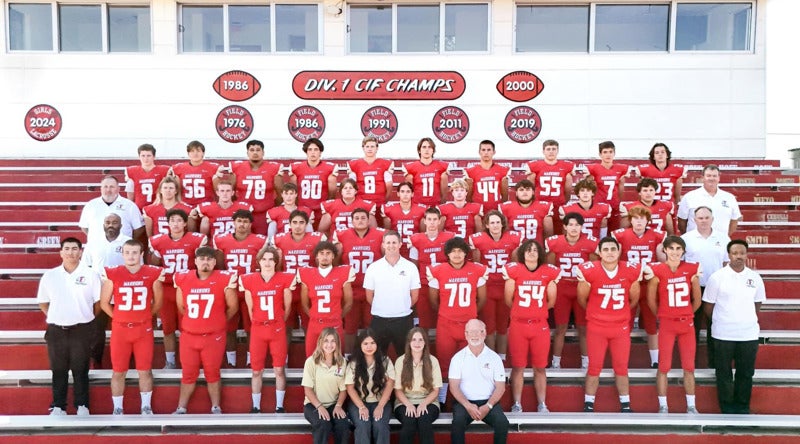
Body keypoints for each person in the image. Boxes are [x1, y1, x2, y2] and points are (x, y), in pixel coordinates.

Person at [577, 236, 642, 413]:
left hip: (620, 326)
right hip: (597, 326)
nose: (610, 253)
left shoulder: (630, 269)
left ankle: (626, 404)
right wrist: (598, 313)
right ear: (599, 252)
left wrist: (617, 314)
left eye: (613, 249)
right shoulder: (589, 270)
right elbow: (583, 299)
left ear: (619, 250)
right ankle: (588, 404)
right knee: (594, 366)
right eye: (605, 249)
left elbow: (634, 298)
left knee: (621, 366)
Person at [38, 237, 102, 416]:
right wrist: (58, 316)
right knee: (58, 369)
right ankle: (58, 405)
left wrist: (83, 316)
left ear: (81, 252)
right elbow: (43, 303)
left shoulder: (91, 275)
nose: (70, 252)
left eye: (75, 249)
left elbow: (98, 303)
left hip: (82, 329)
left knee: (81, 367)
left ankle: (82, 405)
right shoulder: (50, 275)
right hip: (56, 329)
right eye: (67, 249)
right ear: (61, 252)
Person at [99, 239, 164, 415]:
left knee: (145, 370)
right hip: (121, 329)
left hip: (143, 329)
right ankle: (118, 408)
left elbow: (158, 302)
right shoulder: (113, 273)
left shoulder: (152, 273)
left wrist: (145, 316)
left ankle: (146, 406)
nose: (131, 256)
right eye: (127, 252)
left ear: (141, 254)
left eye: (135, 252)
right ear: (122, 255)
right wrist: (119, 318)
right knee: (118, 370)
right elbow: (104, 303)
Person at [173, 246, 238, 414]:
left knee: (212, 372)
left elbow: (232, 307)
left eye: (209, 259)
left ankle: (216, 407)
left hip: (213, 336)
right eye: (202, 258)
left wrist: (216, 322)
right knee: (188, 373)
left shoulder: (224, 278)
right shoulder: (183, 278)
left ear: (215, 262)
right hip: (189, 335)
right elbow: (181, 307)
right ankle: (181, 407)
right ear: (195, 261)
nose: (205, 262)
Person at [703, 240, 765, 414]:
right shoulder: (717, 277)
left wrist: (744, 319)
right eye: (735, 253)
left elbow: (757, 304)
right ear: (728, 255)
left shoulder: (755, 277)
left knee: (746, 373)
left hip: (748, 334)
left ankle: (742, 406)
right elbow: (708, 306)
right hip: (723, 334)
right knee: (723, 373)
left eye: (742, 253)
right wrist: (723, 320)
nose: (738, 256)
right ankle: (727, 407)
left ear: (747, 254)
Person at [428, 237, 488, 404]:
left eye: (460, 251)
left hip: (469, 326)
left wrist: (469, 314)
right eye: (453, 251)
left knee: (468, 365)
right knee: (445, 364)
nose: (456, 254)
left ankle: (465, 400)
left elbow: (482, 299)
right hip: (446, 324)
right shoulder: (438, 270)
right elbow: (433, 301)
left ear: (465, 253)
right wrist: (448, 313)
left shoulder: (476, 270)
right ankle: (442, 400)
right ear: (447, 253)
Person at [646, 236, 702, 414]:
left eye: (679, 248)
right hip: (667, 324)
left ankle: (691, 405)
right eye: (671, 248)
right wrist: (664, 315)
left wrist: (686, 313)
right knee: (663, 366)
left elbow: (697, 300)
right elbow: (651, 300)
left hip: (686, 324)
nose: (675, 252)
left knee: (689, 366)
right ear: (665, 250)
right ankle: (663, 405)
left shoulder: (691, 269)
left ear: (683, 251)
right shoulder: (657, 270)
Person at [503, 239, 560, 413]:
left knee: (540, 367)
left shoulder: (548, 273)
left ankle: (542, 403)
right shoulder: (514, 271)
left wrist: (535, 311)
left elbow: (551, 302)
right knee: (518, 366)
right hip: (519, 325)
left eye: (535, 249)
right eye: (528, 249)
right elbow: (508, 300)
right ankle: (517, 403)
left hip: (539, 325)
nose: (532, 252)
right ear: (522, 253)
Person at [149, 209, 207, 369]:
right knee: (168, 327)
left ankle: (188, 360)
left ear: (185, 223)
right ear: (167, 223)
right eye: (172, 220)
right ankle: (171, 361)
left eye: (179, 220)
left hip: (187, 288)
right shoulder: (158, 241)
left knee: (187, 327)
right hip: (167, 288)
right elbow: (154, 266)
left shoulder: (196, 240)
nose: (175, 224)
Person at [240, 247, 294, 413]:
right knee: (256, 371)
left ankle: (280, 406)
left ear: (276, 261)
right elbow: (250, 309)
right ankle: (255, 406)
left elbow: (287, 306)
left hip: (276, 328)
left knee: (279, 369)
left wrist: (276, 323)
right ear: (259, 261)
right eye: (264, 259)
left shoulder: (284, 278)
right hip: (258, 329)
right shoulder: (249, 280)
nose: (268, 262)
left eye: (271, 259)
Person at [612, 206, 667, 368]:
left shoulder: (657, 236)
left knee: (651, 323)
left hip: (649, 283)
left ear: (647, 220)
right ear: (630, 220)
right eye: (635, 218)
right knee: (625, 324)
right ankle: (623, 359)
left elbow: (663, 260)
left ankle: (655, 360)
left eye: (642, 219)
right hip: (629, 284)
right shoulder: (621, 235)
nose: (639, 222)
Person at [213, 209, 269, 367]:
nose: (242, 224)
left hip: (250, 289)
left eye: (245, 221)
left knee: (252, 327)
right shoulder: (222, 240)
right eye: (239, 221)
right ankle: (231, 361)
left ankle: (252, 360)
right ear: (234, 223)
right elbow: (220, 266)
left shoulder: (259, 241)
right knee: (229, 326)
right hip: (231, 288)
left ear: (251, 224)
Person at [545, 212, 599, 369]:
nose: (574, 228)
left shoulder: (590, 243)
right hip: (562, 287)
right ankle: (556, 362)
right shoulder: (555, 242)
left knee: (583, 327)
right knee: (561, 327)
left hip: (581, 287)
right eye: (571, 224)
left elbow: (594, 268)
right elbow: (551, 268)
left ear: (582, 227)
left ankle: (586, 362)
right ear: (565, 226)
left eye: (577, 225)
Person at [469, 210, 522, 358]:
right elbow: (477, 265)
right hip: (488, 287)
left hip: (505, 287)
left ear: (503, 223)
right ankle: (492, 356)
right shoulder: (479, 240)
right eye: (492, 222)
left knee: (503, 325)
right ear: (486, 224)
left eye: (498, 222)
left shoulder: (513, 238)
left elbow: (515, 263)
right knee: (490, 326)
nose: (495, 225)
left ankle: (503, 356)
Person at [682, 206, 730, 368]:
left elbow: (726, 263)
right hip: (693, 288)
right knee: (692, 327)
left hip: (716, 289)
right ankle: (691, 363)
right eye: (700, 218)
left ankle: (714, 363)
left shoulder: (723, 238)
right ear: (694, 220)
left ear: (712, 219)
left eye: (706, 217)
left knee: (715, 326)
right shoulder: (686, 239)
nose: (703, 221)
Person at [333, 208, 386, 353]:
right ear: (352, 221)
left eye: (363, 217)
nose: (360, 220)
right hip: (351, 289)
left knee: (372, 326)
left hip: (373, 289)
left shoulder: (380, 235)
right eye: (357, 218)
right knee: (350, 327)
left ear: (369, 220)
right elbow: (336, 263)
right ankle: (349, 356)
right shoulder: (342, 235)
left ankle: (373, 357)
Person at [82, 212, 131, 369]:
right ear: (103, 225)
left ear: (121, 225)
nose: (111, 225)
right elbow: (85, 268)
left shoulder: (128, 243)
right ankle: (96, 362)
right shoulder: (93, 243)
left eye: (115, 222)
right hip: (98, 292)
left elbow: (136, 267)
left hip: (123, 293)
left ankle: (127, 363)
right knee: (96, 330)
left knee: (124, 329)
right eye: (108, 222)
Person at [449, 319, 509, 444]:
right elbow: (454, 387)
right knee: (457, 422)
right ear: (465, 335)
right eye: (471, 332)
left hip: (488, 402)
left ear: (484, 333)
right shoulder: (457, 358)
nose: (475, 335)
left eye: (478, 331)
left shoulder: (494, 358)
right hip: (464, 402)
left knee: (502, 423)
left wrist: (488, 406)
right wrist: (468, 405)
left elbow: (500, 387)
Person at [272, 210, 326, 342]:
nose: (298, 226)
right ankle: (283, 360)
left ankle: (313, 358)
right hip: (287, 288)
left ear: (307, 224)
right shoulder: (279, 240)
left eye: (301, 222)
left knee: (310, 326)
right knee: (285, 327)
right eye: (294, 222)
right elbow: (276, 269)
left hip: (308, 288)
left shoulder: (317, 238)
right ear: (289, 224)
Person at [364, 231, 421, 356]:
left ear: (400, 244)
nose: (391, 245)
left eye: (394, 242)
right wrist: (383, 309)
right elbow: (369, 296)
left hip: (403, 320)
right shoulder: (373, 267)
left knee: (406, 357)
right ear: (383, 245)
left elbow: (415, 296)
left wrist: (400, 308)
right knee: (377, 357)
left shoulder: (410, 267)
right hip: (379, 320)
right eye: (388, 242)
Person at [299, 241, 355, 357]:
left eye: (328, 253)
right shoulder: (307, 273)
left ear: (333, 256)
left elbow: (349, 302)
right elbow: (304, 303)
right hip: (315, 324)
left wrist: (337, 316)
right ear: (317, 256)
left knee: (337, 360)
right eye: (322, 253)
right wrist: (316, 316)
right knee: (311, 359)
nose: (325, 256)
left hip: (334, 323)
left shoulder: (343, 273)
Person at [346, 329, 396, 444]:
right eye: (365, 343)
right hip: (359, 402)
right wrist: (362, 407)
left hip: (380, 401)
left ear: (377, 344)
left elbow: (390, 385)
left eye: (372, 343)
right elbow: (350, 388)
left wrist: (380, 406)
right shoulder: (354, 363)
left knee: (380, 425)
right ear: (360, 345)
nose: (369, 346)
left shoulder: (386, 361)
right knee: (363, 425)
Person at [408, 207, 455, 330]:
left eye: (435, 219)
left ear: (440, 221)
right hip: (424, 283)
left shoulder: (449, 238)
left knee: (445, 319)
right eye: (429, 219)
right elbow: (414, 265)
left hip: (443, 283)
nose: (432, 222)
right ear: (424, 221)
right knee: (424, 321)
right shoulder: (416, 239)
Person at [394, 327, 443, 444]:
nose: (417, 343)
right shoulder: (400, 361)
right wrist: (409, 405)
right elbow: (398, 390)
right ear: (409, 342)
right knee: (409, 421)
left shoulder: (433, 361)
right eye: (414, 340)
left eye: (420, 340)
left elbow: (436, 390)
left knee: (424, 420)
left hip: (429, 401)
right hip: (404, 401)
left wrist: (423, 404)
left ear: (425, 342)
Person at [302, 328, 350, 444]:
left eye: (333, 341)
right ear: (320, 342)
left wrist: (338, 405)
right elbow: (307, 389)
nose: (329, 344)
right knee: (323, 424)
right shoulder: (311, 361)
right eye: (326, 341)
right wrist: (319, 406)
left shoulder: (342, 362)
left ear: (337, 343)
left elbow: (344, 389)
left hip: (334, 404)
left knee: (343, 424)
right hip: (313, 405)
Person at [229, 139, 283, 235]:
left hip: (264, 213)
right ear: (247, 153)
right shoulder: (237, 167)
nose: (255, 153)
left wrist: (271, 208)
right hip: (243, 214)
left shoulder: (273, 168)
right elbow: (230, 192)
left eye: (258, 150)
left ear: (263, 152)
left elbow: (280, 194)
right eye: (252, 150)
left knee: (264, 241)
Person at [79, 175, 144, 246]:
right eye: (105, 187)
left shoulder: (129, 205)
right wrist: (97, 238)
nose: (108, 190)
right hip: (97, 249)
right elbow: (84, 227)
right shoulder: (90, 205)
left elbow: (139, 228)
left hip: (122, 249)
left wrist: (127, 240)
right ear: (101, 188)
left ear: (118, 189)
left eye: (112, 187)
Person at [677, 164, 742, 236]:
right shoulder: (689, 197)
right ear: (702, 178)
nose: (711, 178)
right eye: (708, 176)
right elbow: (681, 223)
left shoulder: (730, 198)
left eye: (714, 176)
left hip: (720, 243)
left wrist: (723, 238)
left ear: (719, 178)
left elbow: (734, 222)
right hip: (695, 243)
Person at [288, 137, 337, 230]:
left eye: (316, 149)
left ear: (320, 152)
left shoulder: (328, 168)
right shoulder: (297, 167)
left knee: (322, 236)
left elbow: (332, 193)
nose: (313, 152)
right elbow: (293, 190)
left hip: (321, 210)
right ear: (306, 152)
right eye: (310, 149)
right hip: (302, 209)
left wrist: (325, 207)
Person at [584, 140, 631, 231]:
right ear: (600, 154)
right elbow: (589, 189)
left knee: (614, 231)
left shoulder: (621, 169)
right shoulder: (593, 168)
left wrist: (617, 202)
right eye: (605, 152)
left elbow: (621, 188)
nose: (608, 155)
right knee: (599, 232)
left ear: (614, 153)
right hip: (598, 205)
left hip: (614, 205)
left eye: (610, 152)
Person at [525, 139, 575, 221]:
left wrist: (564, 201)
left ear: (557, 151)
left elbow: (568, 190)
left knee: (558, 229)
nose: (551, 152)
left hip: (558, 204)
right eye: (548, 149)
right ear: (543, 151)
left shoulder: (566, 166)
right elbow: (530, 188)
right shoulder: (535, 166)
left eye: (554, 149)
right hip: (540, 204)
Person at [169, 140, 224, 208]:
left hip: (207, 206)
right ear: (188, 153)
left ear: (203, 153)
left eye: (198, 151)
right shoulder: (177, 168)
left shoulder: (214, 168)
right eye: (192, 151)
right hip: (185, 205)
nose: (195, 154)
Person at [381, 182, 427, 259]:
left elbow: (423, 233)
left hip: (413, 247)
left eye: (408, 192)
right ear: (398, 194)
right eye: (402, 191)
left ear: (412, 194)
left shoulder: (421, 209)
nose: (405, 194)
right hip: (396, 247)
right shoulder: (388, 209)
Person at [498, 179, 553, 243]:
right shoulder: (506, 208)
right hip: (515, 249)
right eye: (521, 190)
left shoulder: (543, 207)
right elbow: (505, 233)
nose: (525, 192)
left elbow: (548, 233)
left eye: (527, 189)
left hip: (536, 249)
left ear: (533, 192)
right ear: (516, 193)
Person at [348, 136, 395, 208]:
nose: (370, 149)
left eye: (372, 146)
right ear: (363, 148)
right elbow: (352, 186)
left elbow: (389, 186)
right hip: (361, 202)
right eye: (367, 146)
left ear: (377, 148)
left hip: (379, 201)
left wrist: (384, 200)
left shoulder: (385, 164)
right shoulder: (354, 164)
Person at [464, 139, 509, 211]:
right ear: (479, 152)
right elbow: (468, 197)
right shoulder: (470, 171)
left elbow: (505, 196)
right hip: (478, 211)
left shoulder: (502, 170)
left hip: (496, 212)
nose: (486, 152)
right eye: (483, 150)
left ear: (494, 152)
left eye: (489, 150)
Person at [402, 137, 449, 207]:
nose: (427, 150)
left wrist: (442, 203)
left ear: (433, 150)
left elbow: (444, 190)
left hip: (435, 206)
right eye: (424, 147)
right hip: (417, 206)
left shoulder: (442, 166)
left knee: (444, 176)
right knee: (409, 177)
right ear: (419, 150)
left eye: (430, 147)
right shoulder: (411, 167)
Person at [125, 143, 171, 210]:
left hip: (158, 207)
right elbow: (130, 193)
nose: (146, 158)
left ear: (154, 156)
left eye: (148, 155)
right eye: (143, 156)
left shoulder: (163, 170)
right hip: (139, 208)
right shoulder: (132, 171)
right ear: (139, 157)